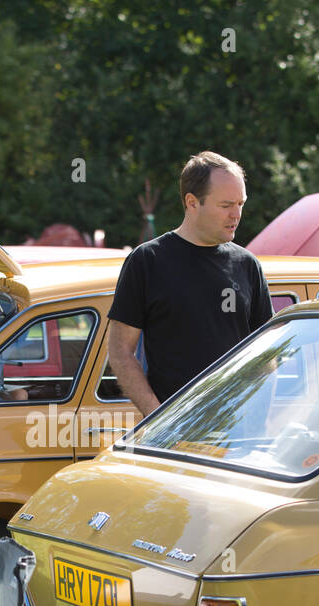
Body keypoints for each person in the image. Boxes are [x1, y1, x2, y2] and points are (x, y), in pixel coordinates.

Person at [107, 151, 272, 417]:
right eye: (226, 204)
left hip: (241, 432)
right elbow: (120, 351)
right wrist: (158, 418)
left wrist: (262, 416)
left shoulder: (247, 264)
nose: (236, 214)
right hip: (173, 434)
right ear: (192, 202)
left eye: (241, 203)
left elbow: (267, 354)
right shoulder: (147, 261)